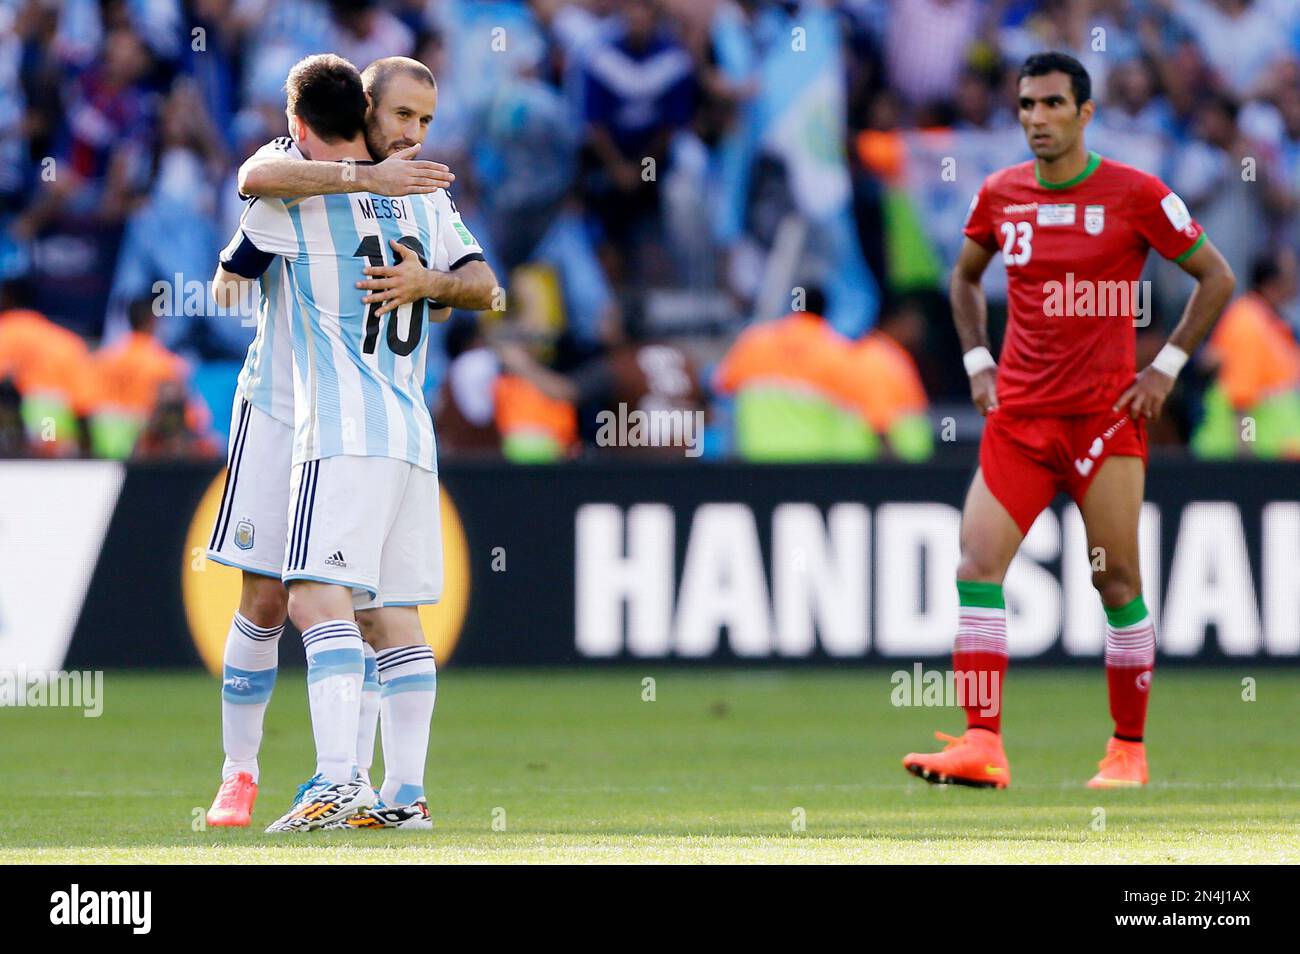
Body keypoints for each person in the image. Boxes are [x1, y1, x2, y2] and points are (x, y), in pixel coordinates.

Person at [902, 52, 1235, 790]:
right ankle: (982, 742)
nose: (1037, 119)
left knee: (1115, 582)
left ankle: (1128, 751)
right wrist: (976, 362)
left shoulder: (1135, 193)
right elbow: (962, 277)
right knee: (976, 567)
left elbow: (1217, 277)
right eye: (1026, 106)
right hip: (1020, 417)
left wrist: (1166, 369)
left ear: (1085, 114)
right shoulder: (1000, 193)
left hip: (1102, 421)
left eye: (1052, 104)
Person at [208, 53, 494, 832]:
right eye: (403, 116)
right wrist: (368, 191)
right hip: (315, 414)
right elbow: (256, 177)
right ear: (363, 105)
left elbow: (233, 262)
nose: (415, 135)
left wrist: (428, 284)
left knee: (318, 596)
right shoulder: (318, 176)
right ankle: (380, 790)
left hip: (339, 426)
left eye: (428, 122)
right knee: (348, 605)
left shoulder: (418, 196)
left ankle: (342, 781)